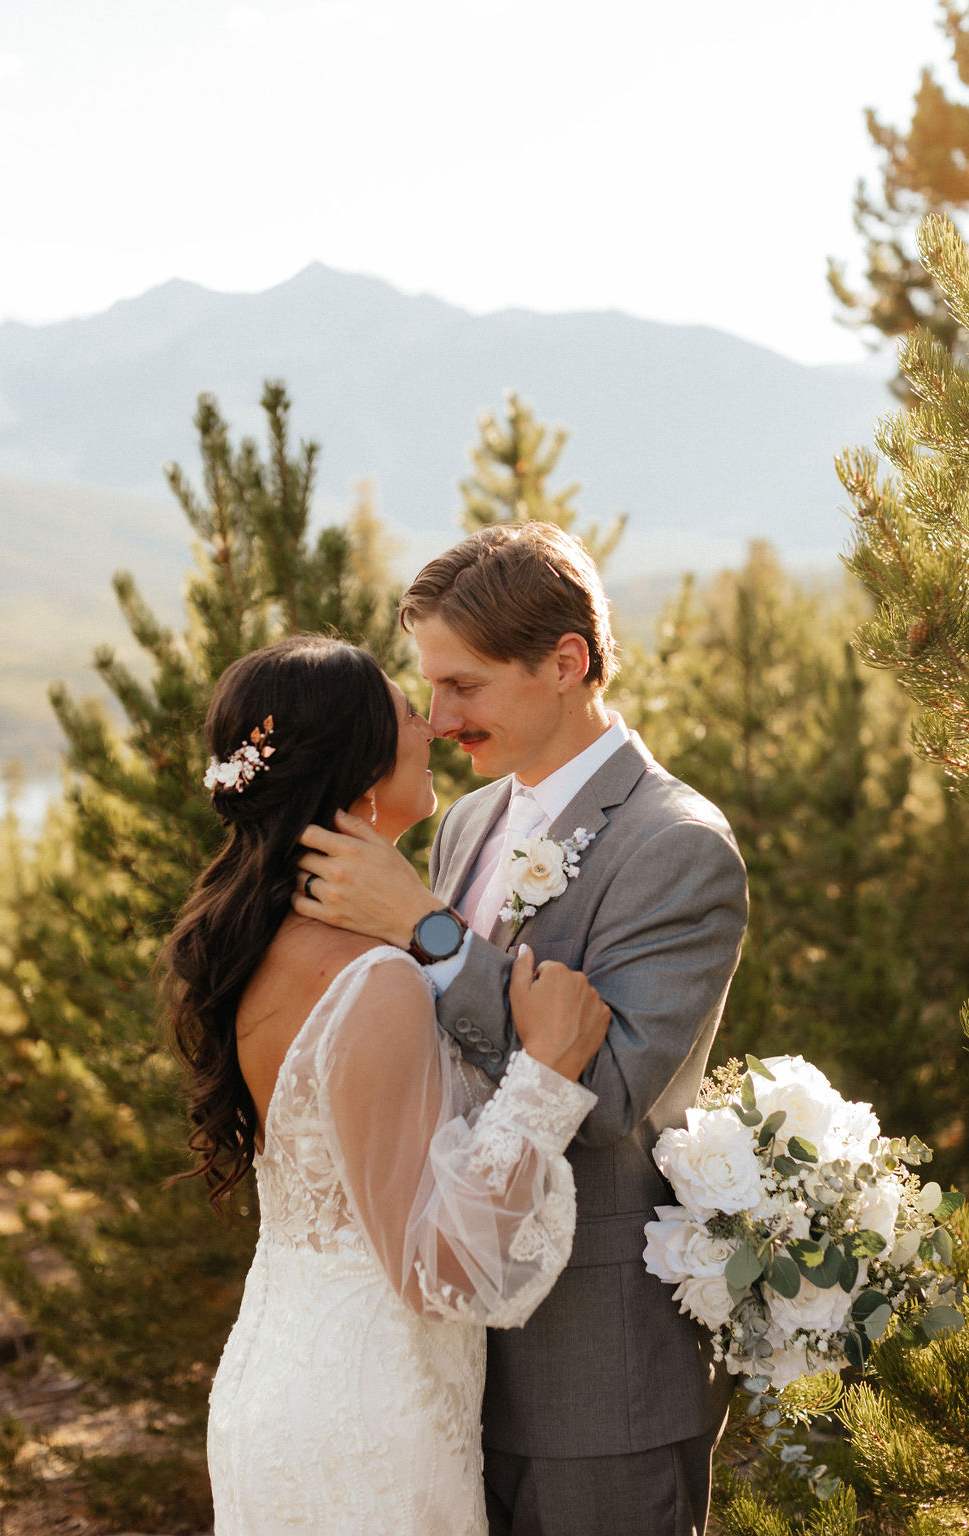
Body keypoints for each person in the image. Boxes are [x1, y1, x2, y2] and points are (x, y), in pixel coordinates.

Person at [294, 524, 750, 1536]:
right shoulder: (466, 824)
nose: (436, 717)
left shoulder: (675, 845)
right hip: (446, 1351)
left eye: (464, 686)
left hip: (597, 1375)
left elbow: (613, 1092)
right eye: (429, 686)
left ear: (566, 663)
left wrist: (425, 927)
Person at [160, 632, 612, 1536]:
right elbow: (435, 1267)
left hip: (282, 1371)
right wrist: (546, 1077)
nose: (434, 727)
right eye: (410, 712)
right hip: (367, 1407)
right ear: (362, 772)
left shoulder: (266, 942)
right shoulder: (374, 979)